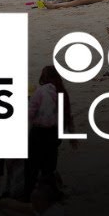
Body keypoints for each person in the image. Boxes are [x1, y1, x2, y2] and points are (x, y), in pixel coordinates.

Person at [23, 66, 72, 200]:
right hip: (54, 133)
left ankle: (27, 195)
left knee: (31, 166)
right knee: (49, 167)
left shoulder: (40, 91)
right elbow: (66, 115)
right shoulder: (61, 91)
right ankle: (51, 194)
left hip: (39, 132)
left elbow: (31, 112)